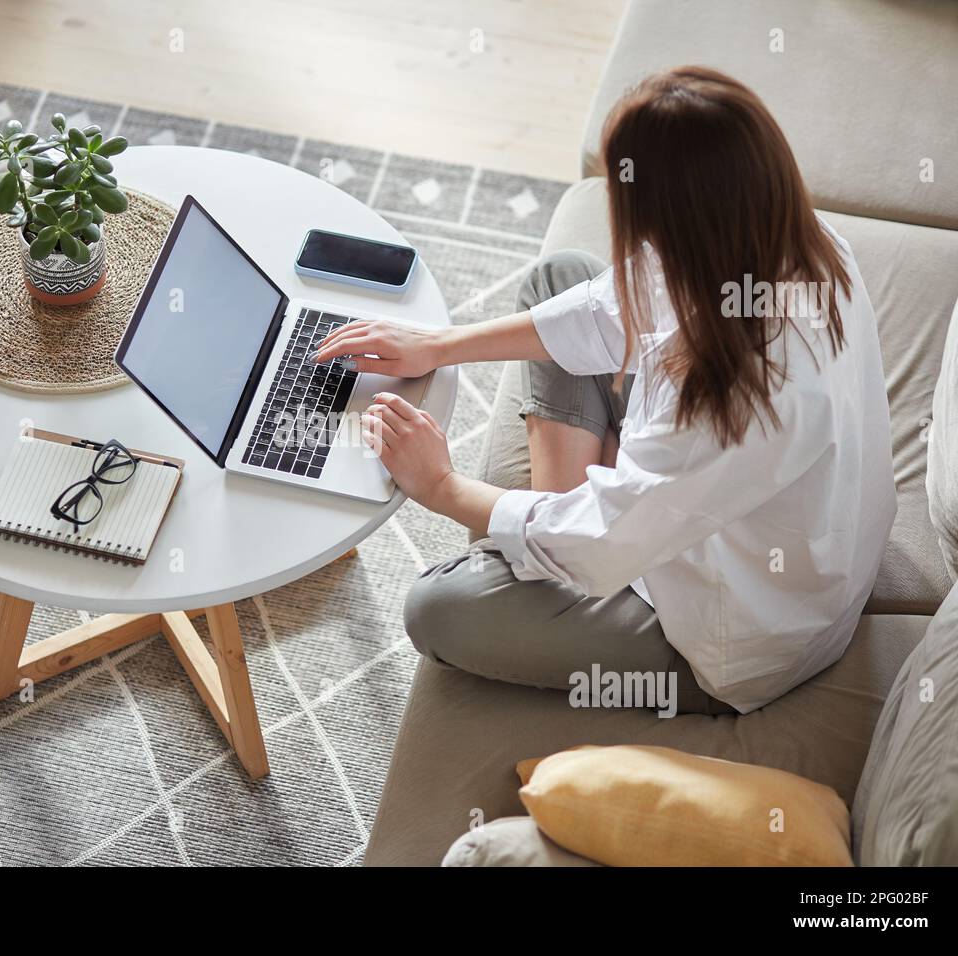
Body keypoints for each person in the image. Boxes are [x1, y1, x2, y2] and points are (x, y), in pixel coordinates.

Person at [313, 66, 896, 715]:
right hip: (741, 515)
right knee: (559, 277)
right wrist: (440, 343)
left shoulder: (727, 405)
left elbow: (602, 544)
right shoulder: (800, 243)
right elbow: (609, 306)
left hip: (745, 633)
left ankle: (553, 528)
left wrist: (440, 486)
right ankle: (563, 516)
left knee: (435, 610)